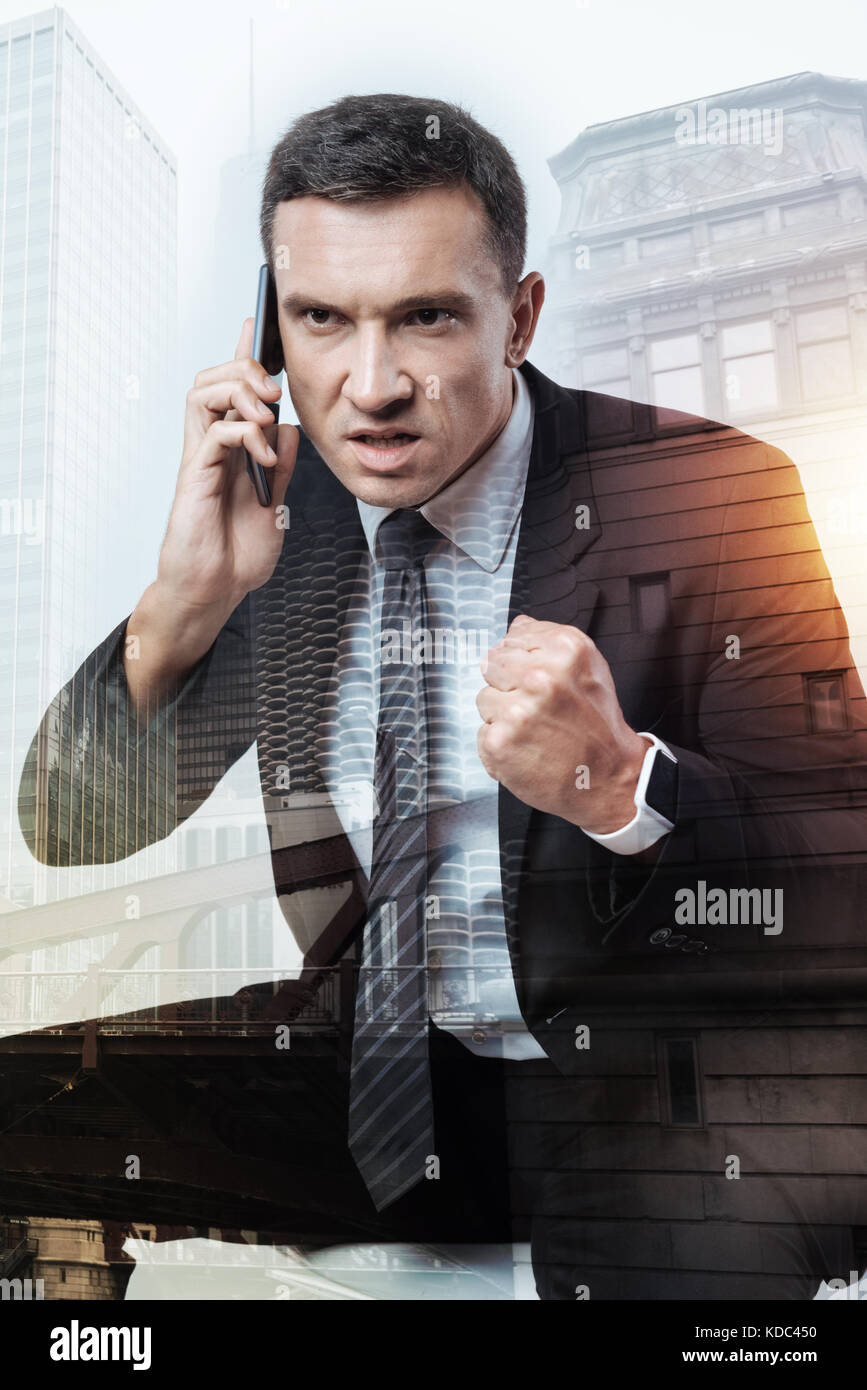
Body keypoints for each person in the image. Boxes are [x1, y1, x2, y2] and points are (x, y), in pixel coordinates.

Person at [19, 92, 867, 1300]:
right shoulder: (277, 528)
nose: (370, 386)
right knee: (25, 1105)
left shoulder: (711, 488)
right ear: (270, 333)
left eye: (424, 318)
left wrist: (628, 785)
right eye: (321, 320)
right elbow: (72, 826)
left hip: (661, 1073)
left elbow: (843, 877)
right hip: (381, 1070)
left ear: (516, 320)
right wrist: (181, 604)